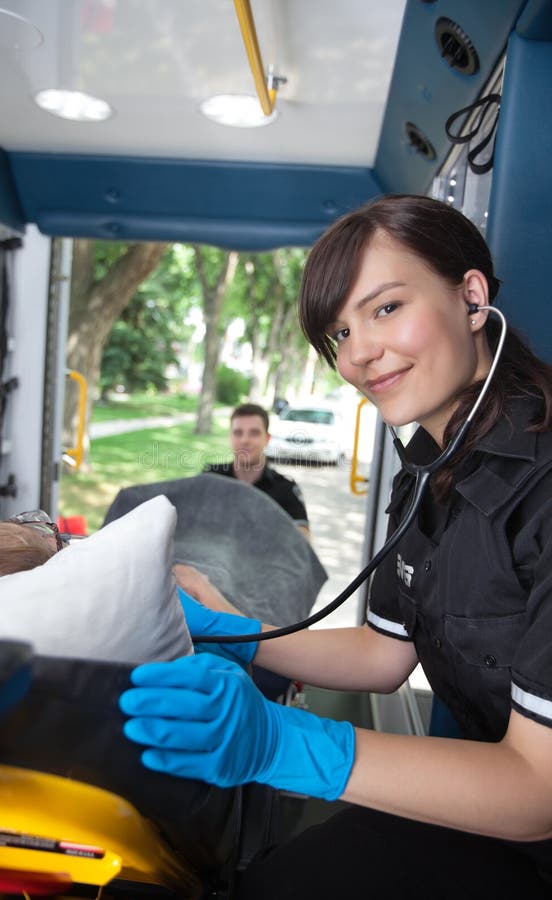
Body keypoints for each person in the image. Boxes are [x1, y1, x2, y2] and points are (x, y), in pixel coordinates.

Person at [118, 195, 552, 898]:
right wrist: (235, 631)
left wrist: (282, 742)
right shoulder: (428, 467)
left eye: (386, 308)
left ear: (472, 298)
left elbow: (537, 791)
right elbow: (385, 654)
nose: (358, 356)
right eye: (340, 332)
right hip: (492, 818)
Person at [204, 402, 311, 539]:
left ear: (267, 439)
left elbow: (303, 542)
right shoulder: (210, 480)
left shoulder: (286, 490)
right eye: (238, 433)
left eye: (254, 433)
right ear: (230, 437)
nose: (245, 440)